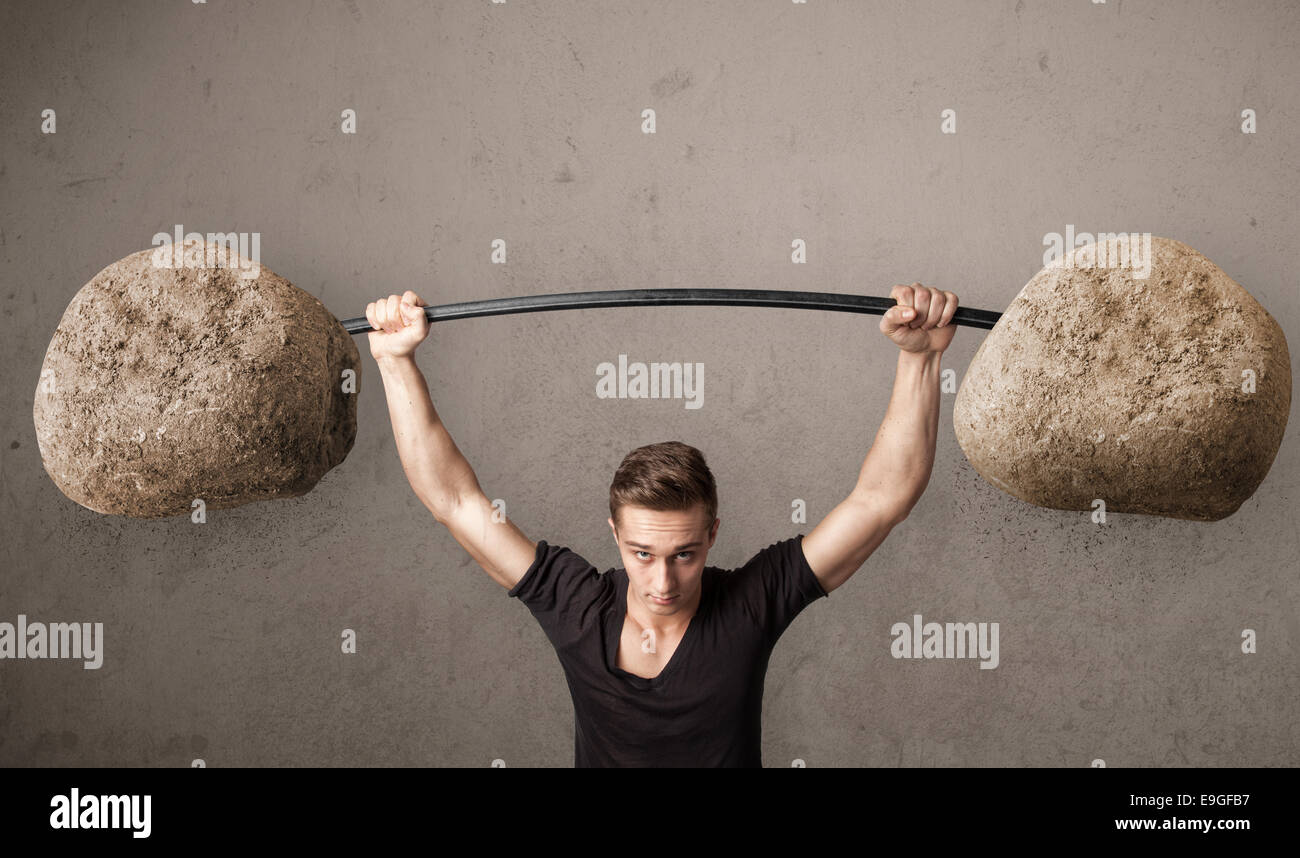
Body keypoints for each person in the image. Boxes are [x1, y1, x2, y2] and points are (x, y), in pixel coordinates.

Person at [366, 283, 960, 766]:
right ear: (615, 535)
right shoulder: (576, 605)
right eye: (642, 554)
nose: (663, 582)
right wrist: (394, 362)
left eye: (685, 554)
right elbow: (455, 501)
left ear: (713, 536)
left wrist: (921, 357)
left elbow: (883, 497)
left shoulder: (750, 603)